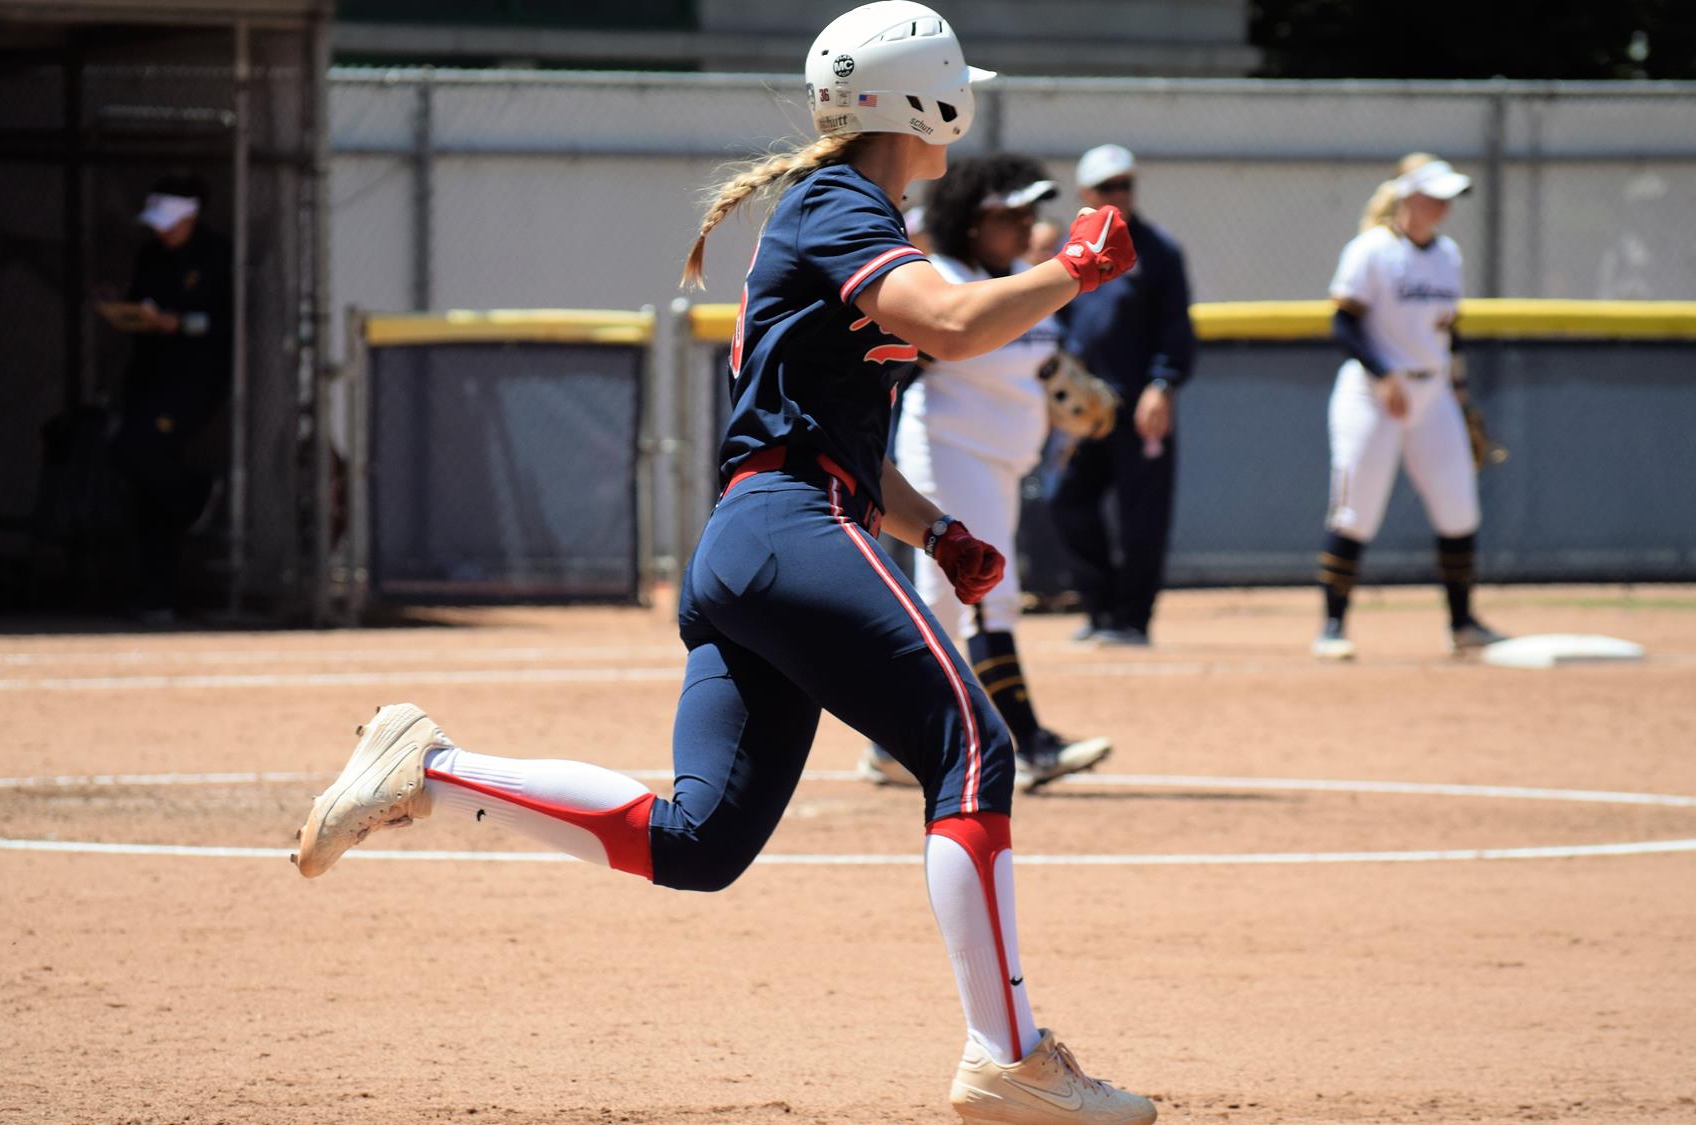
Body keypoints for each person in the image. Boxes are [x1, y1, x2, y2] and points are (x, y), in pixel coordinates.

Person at [290, 6, 1154, 1122]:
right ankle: (1009, 1058)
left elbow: (822, 432)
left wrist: (933, 530)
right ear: (925, 100)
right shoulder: (843, 204)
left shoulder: (841, 213)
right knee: (972, 748)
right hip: (790, 530)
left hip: (760, 537)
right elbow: (947, 324)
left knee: (696, 842)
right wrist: (1073, 273)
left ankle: (435, 769)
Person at [860, 153, 1110, 793]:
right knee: (987, 595)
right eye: (1011, 213)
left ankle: (891, 743)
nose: (1027, 224)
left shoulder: (1023, 277)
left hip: (1002, 461)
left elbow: (1036, 363)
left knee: (942, 608)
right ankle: (1031, 744)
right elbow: (899, 368)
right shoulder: (939, 278)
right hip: (948, 453)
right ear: (971, 222)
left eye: (1032, 211)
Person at [1313, 153, 1506, 660]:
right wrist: (1383, 374)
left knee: (1459, 505)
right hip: (1373, 395)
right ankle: (1332, 626)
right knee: (1356, 510)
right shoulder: (1371, 250)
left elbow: (1449, 333)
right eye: (1435, 196)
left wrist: (1461, 401)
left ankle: (1463, 624)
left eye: (1448, 198)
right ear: (1409, 196)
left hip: (1432, 391)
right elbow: (1343, 324)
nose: (1443, 207)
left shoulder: (1449, 255)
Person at [1050, 144, 1196, 647]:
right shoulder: (1067, 253)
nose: (1120, 194)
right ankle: (1100, 608)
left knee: (1142, 516)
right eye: (1107, 187)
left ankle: (1133, 619)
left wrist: (1163, 384)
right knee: (1066, 501)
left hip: (1139, 405)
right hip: (1084, 407)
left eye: (1125, 185)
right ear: (1085, 194)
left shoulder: (1158, 250)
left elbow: (1177, 328)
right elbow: (1055, 325)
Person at [103, 173, 230, 624]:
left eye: (170, 222)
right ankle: (158, 592)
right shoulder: (151, 254)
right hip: (149, 378)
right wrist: (127, 311)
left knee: (142, 455)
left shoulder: (216, 255)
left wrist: (181, 324)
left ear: (192, 215)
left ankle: (199, 490)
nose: (162, 230)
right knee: (140, 479)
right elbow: (142, 305)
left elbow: (226, 323)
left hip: (192, 382)